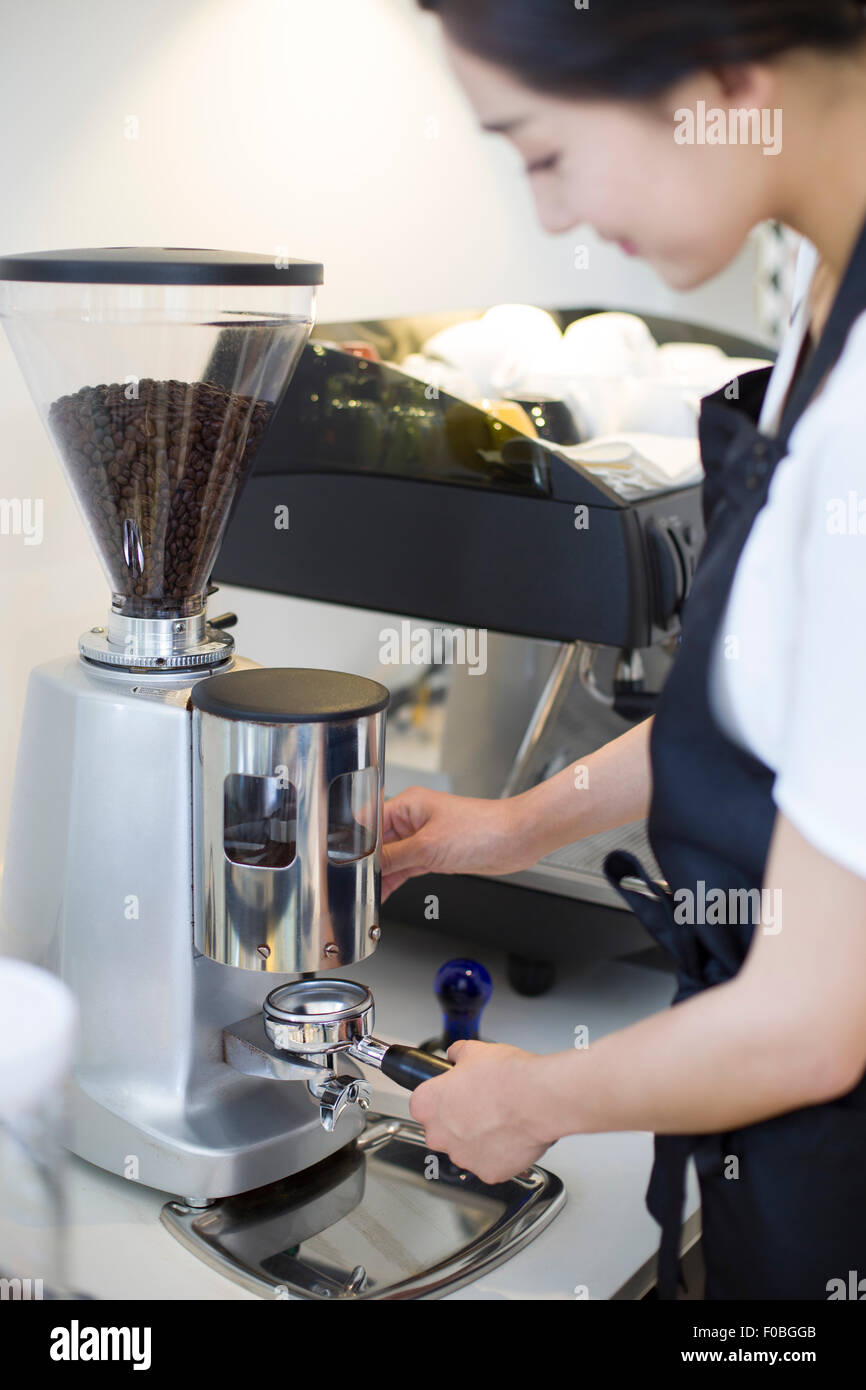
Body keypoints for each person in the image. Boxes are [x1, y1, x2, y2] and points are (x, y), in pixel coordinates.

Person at [381, 0, 866, 1300]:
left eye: (541, 150)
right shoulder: (821, 307)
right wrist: (513, 825)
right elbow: (776, 708)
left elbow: (818, 1018)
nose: (550, 218)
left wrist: (538, 1098)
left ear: (718, 74)